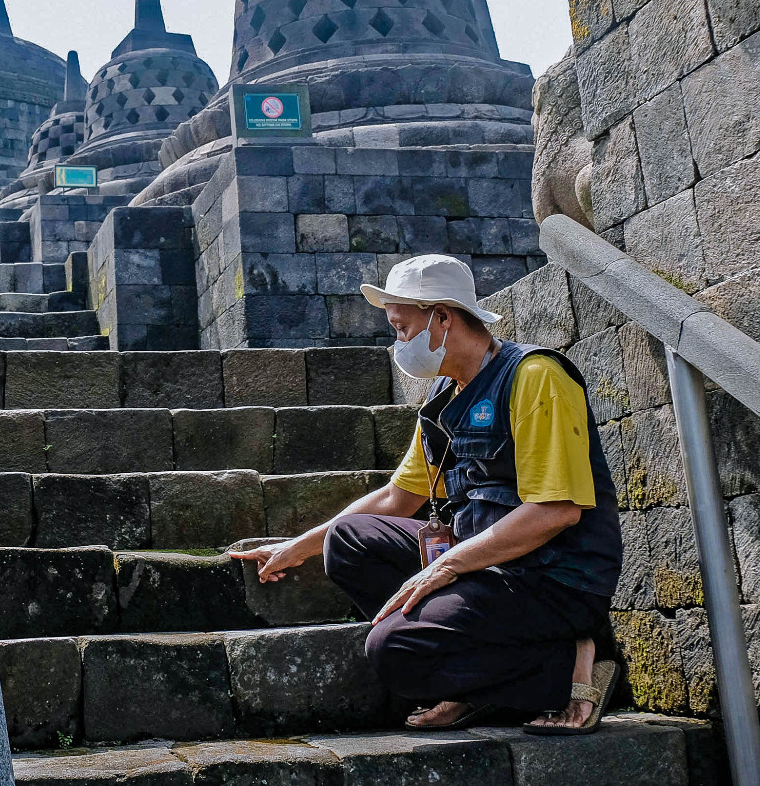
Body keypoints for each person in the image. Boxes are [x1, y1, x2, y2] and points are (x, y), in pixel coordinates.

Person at [229, 254, 624, 734]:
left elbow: (556, 511)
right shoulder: (444, 396)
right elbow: (397, 499)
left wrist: (445, 567)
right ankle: (492, 674)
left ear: (442, 317)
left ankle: (573, 665)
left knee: (392, 651)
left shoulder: (535, 377)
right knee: (349, 539)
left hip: (553, 581)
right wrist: (297, 548)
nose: (397, 340)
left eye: (401, 327)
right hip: (486, 563)